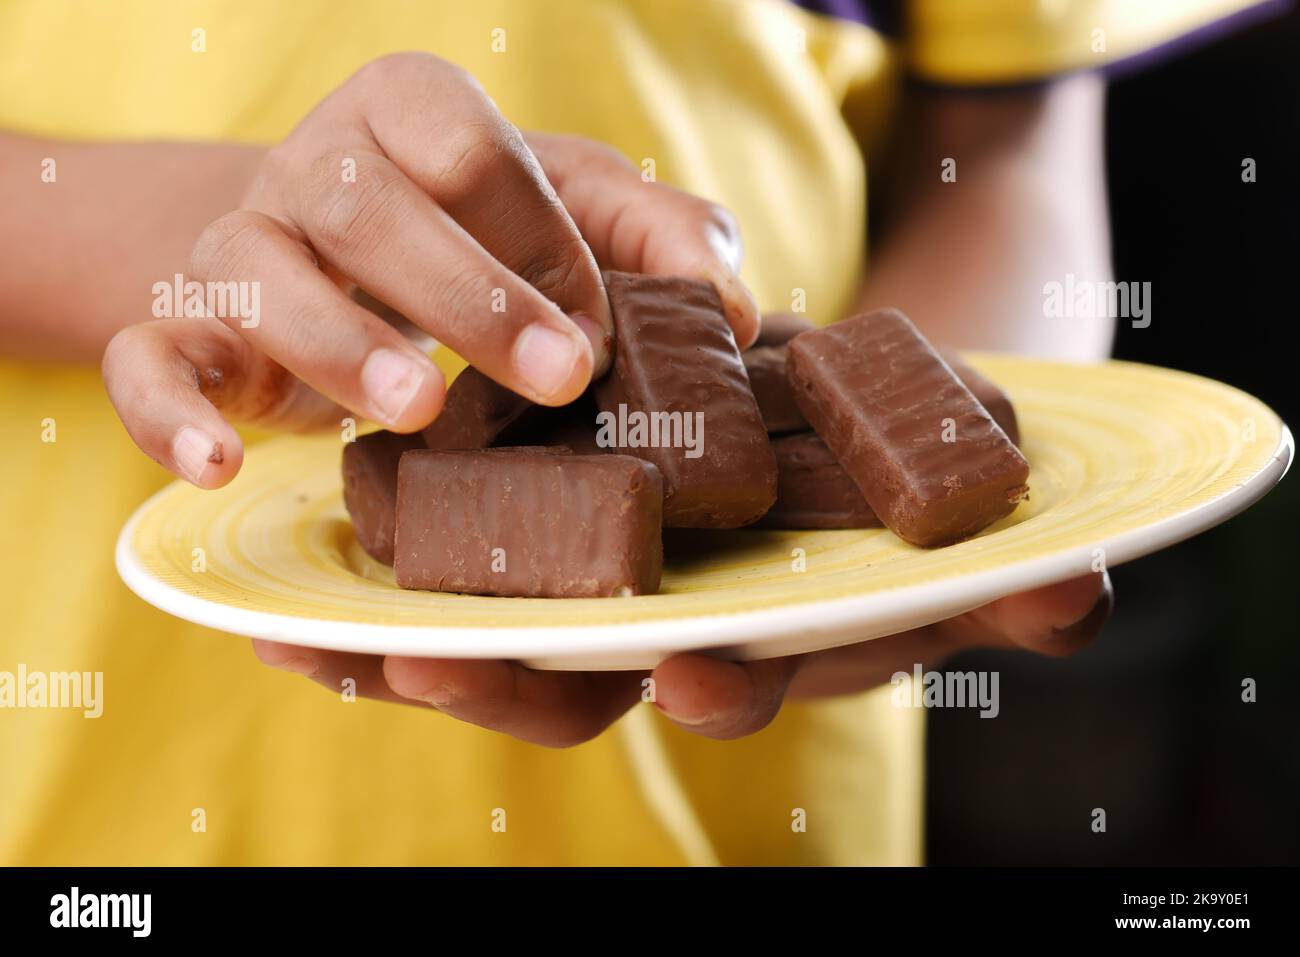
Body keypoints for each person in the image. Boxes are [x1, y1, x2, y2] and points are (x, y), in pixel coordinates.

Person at [0, 0, 1271, 865]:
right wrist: (222, 236)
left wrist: (896, 543)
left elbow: (1008, 143)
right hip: (103, 803)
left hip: (750, 772)